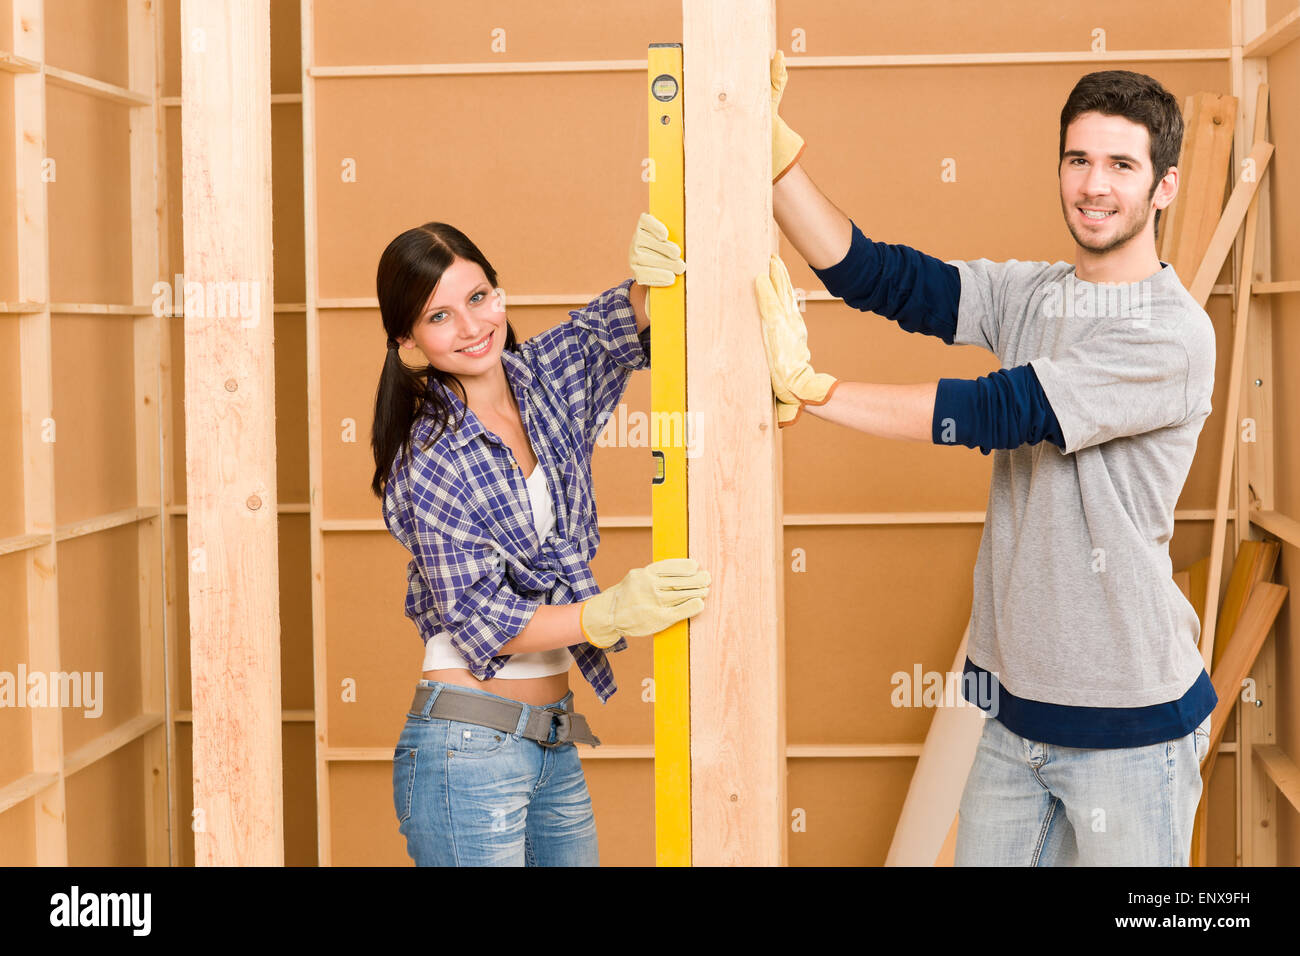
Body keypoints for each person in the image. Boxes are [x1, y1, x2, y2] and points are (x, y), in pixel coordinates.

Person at [757, 52, 1215, 865]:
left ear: (1164, 187)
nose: (1095, 185)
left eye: (1121, 164)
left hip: (1130, 724)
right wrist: (772, 157)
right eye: (1079, 160)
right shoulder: (1034, 294)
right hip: (1010, 716)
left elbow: (1002, 412)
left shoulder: (1171, 335)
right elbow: (878, 277)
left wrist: (814, 389)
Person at [371, 214, 710, 866]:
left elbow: (605, 332)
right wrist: (605, 613)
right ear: (407, 339)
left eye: (477, 298)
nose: (471, 328)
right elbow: (483, 621)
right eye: (438, 317)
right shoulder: (430, 458)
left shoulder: (538, 381)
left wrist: (649, 283)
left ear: (499, 294)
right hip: (466, 749)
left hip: (553, 741)